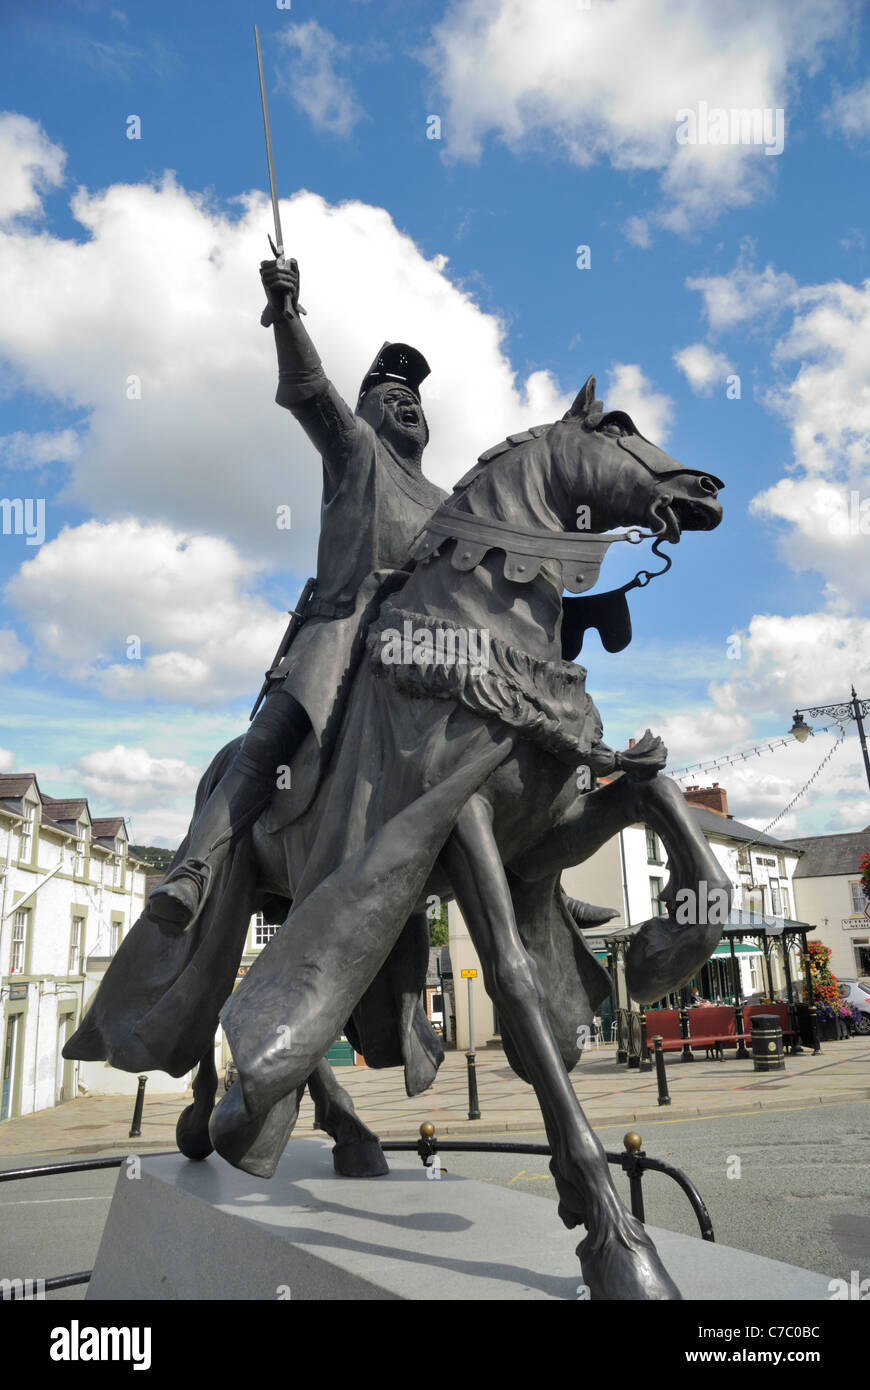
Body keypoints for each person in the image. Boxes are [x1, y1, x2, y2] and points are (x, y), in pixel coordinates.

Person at [144, 257, 447, 933]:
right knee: (268, 741)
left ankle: (530, 875)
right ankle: (194, 866)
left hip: (427, 652)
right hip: (339, 639)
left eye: (416, 397)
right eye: (389, 392)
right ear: (363, 411)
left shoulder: (451, 504)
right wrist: (285, 312)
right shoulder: (355, 451)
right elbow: (309, 390)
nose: (407, 400)